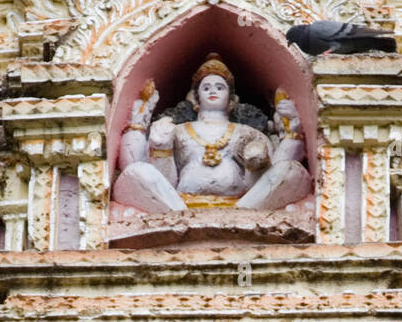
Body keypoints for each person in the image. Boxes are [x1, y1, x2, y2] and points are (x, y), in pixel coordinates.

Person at [113, 54, 312, 215]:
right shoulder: (178, 130)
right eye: (206, 87)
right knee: (136, 172)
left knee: (292, 171)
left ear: (231, 99)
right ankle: (179, 216)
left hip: (244, 201)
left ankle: (243, 213)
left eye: (220, 87)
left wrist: (256, 163)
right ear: (195, 97)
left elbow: (263, 180)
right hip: (178, 202)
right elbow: (167, 182)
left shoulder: (247, 133)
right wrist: (161, 147)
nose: (212, 91)